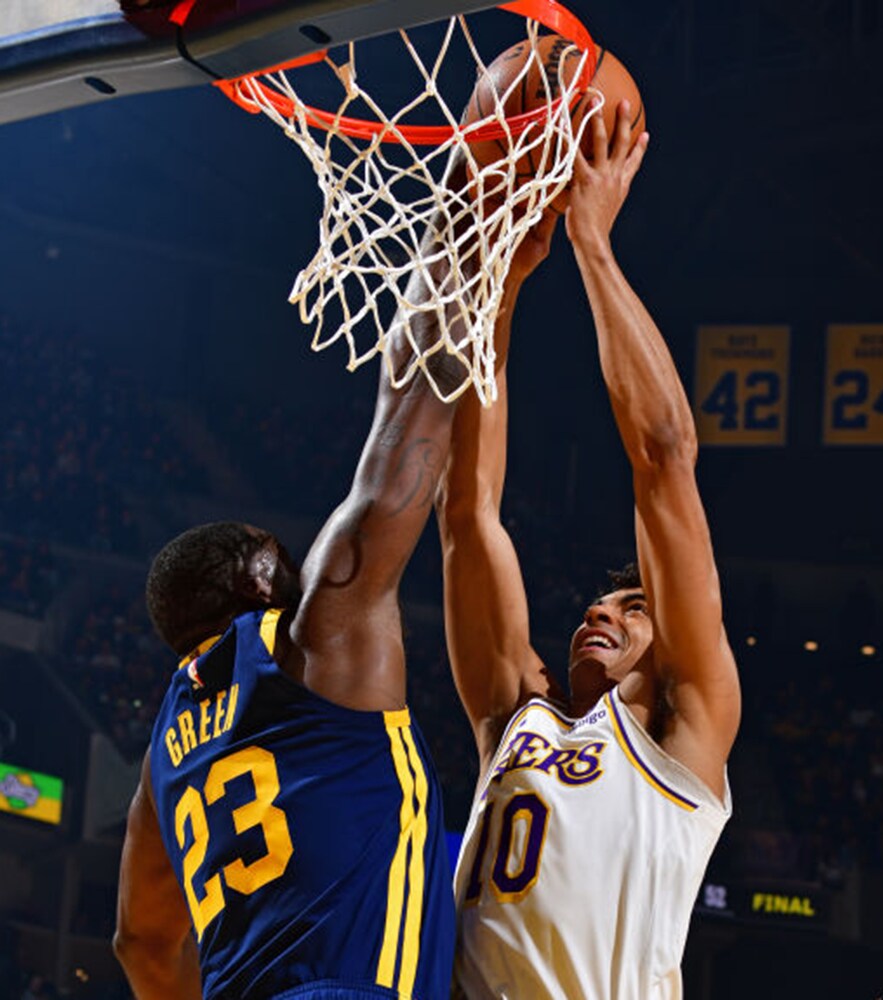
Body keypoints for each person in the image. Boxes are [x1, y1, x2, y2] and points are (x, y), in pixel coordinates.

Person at [113, 165, 475, 1000]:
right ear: (265, 573)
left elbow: (139, 941)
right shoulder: (315, 639)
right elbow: (399, 439)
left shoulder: (164, 757)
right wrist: (471, 215)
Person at [435, 100, 741, 999]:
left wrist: (591, 245)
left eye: (631, 609)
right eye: (597, 605)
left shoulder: (686, 730)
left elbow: (665, 460)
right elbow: (469, 514)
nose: (600, 611)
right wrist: (496, 281)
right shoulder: (512, 719)